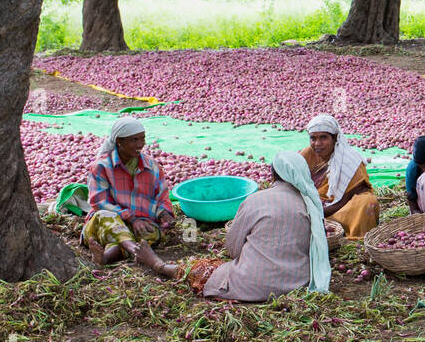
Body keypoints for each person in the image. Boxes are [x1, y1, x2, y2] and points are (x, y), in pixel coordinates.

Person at [184, 151, 332, 301]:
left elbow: (233, 248)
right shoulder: (311, 206)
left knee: (202, 269)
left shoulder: (255, 200)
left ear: (273, 175)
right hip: (296, 284)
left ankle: (163, 267)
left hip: (251, 285)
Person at [82, 118, 179, 278]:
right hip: (103, 224)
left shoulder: (152, 167)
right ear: (119, 141)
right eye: (134, 140)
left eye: (142, 138)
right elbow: (99, 203)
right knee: (107, 217)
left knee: (151, 233)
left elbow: (162, 197)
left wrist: (164, 213)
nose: (140, 144)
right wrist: (132, 219)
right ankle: (136, 251)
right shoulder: (102, 167)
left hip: (138, 225)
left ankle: (105, 257)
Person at [301, 114, 380, 239]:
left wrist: (321, 212)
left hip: (342, 206)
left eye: (323, 137)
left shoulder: (350, 160)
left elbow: (348, 196)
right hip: (316, 202)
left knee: (367, 202)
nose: (317, 143)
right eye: (313, 138)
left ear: (335, 138)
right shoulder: (307, 154)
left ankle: (354, 234)